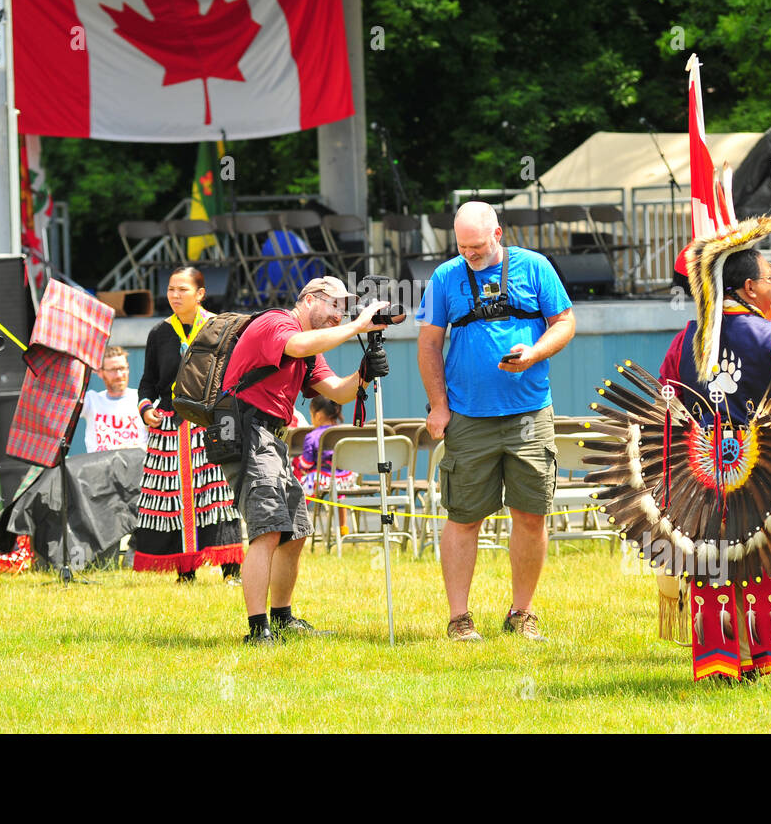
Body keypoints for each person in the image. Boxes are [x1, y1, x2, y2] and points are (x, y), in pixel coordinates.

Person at [661, 238, 771, 680]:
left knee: (714, 557)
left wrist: (672, 485)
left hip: (704, 473)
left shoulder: (683, 345)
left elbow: (667, 413)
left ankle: (723, 662)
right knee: (769, 552)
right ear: (750, 288)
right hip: (768, 472)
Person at [417, 201, 575, 642]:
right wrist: (438, 405)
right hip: (467, 416)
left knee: (530, 516)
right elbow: (428, 344)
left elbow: (564, 322)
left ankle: (521, 612)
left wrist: (535, 353)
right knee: (464, 516)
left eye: (478, 246)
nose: (470, 254)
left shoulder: (536, 267)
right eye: (462, 246)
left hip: (529, 412)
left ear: (498, 234)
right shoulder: (445, 277)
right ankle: (459, 618)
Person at [221, 274, 391, 644]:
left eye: (345, 308)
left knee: (294, 530)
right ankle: (257, 629)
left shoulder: (312, 349)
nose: (340, 315)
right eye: (335, 305)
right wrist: (359, 326)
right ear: (310, 299)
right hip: (245, 431)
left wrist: (363, 374)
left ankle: (282, 618)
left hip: (273, 437)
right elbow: (296, 346)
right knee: (267, 531)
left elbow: (338, 393)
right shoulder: (276, 324)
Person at [133, 267, 243, 583]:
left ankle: (231, 569)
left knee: (219, 495)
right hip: (170, 426)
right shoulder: (159, 334)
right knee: (173, 499)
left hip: (210, 423)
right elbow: (148, 383)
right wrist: (145, 409)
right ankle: (185, 571)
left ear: (200, 294)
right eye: (171, 289)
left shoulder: (220, 329)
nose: (175, 296)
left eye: (183, 289)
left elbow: (233, 376)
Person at [291, 396, 358, 536]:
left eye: (311, 416)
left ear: (319, 415)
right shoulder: (343, 432)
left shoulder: (313, 436)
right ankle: (343, 528)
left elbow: (306, 463)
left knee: (297, 491)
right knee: (339, 495)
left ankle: (296, 525)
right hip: (346, 479)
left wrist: (303, 465)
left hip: (323, 478)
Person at [83, 346, 146, 454]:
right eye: (113, 370)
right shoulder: (91, 401)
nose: (119, 375)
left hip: (136, 466)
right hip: (99, 467)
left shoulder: (142, 400)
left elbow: (159, 439)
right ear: (100, 372)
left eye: (122, 368)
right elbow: (67, 397)